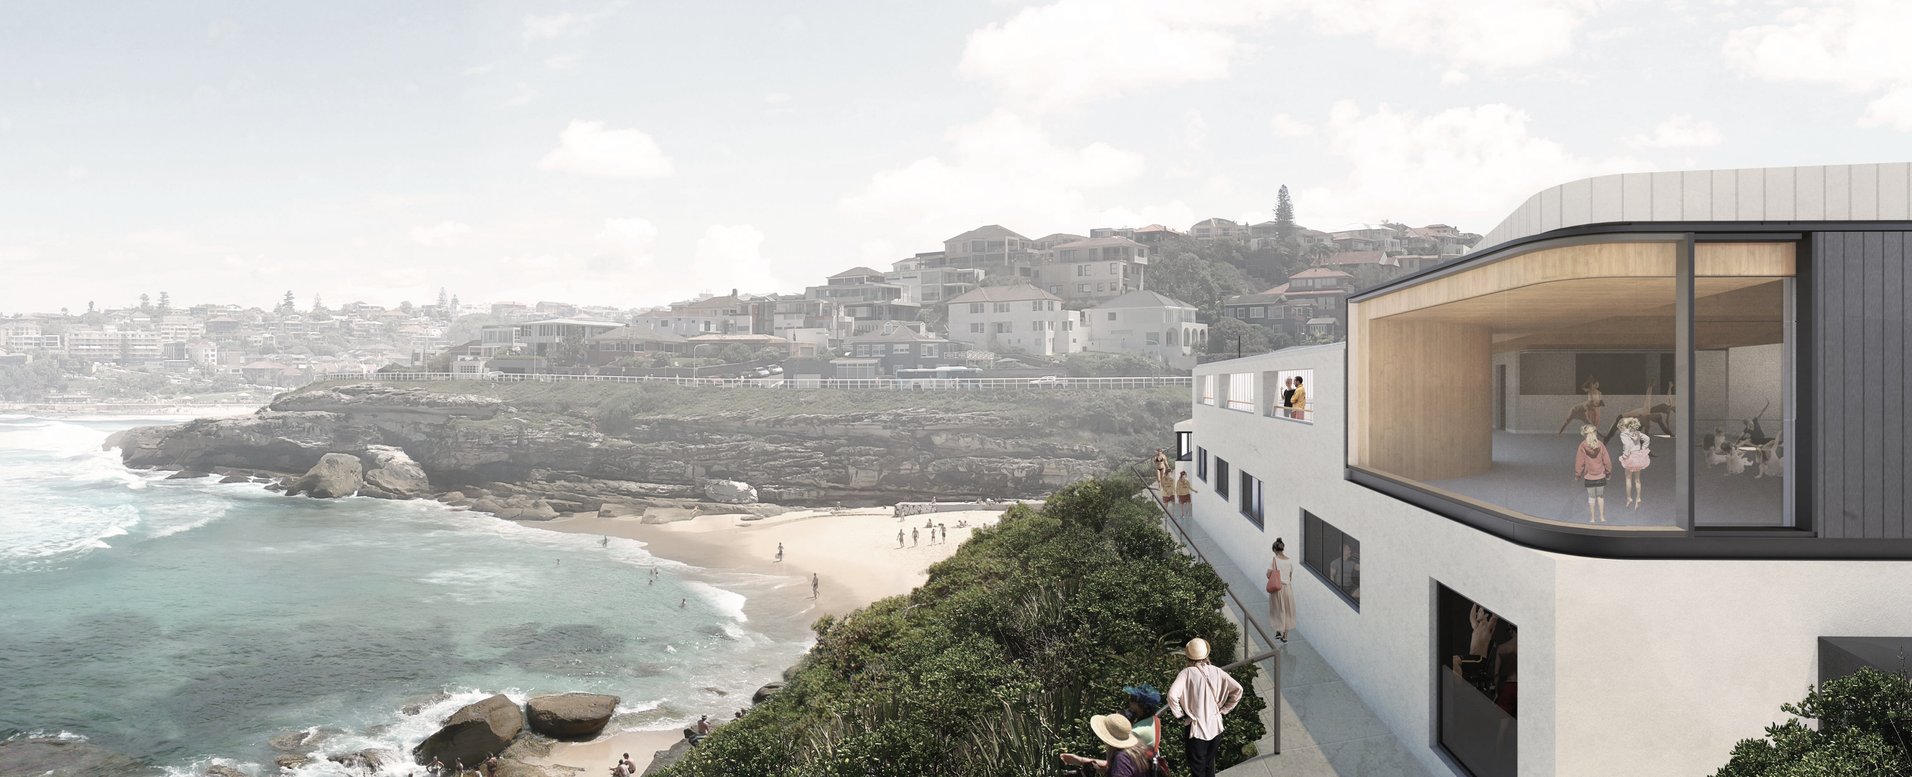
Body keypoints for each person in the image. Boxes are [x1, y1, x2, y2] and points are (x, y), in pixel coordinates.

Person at [1168, 638, 1241, 777]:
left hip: (1196, 729)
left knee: (1198, 770)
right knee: (1209, 766)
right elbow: (1238, 689)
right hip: (1215, 726)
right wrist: (1224, 710)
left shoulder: (1186, 673)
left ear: (1188, 656)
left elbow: (1172, 695)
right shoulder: (1217, 671)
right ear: (1206, 654)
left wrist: (1179, 714)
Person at [1059, 712, 1152, 777]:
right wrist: (1080, 760)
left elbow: (1120, 768)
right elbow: (1111, 766)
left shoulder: (1121, 758)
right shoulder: (1135, 752)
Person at [1573, 423, 1613, 523]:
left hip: (1589, 477)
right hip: (1601, 476)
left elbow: (1579, 462)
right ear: (1595, 433)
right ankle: (1602, 517)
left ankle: (1592, 518)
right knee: (1600, 496)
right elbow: (1607, 461)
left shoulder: (1582, 445)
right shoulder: (1600, 445)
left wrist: (1578, 475)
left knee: (1591, 497)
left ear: (1584, 434)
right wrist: (1608, 473)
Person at [1617, 416, 1651, 510]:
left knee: (1628, 478)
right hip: (1638, 457)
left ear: (1622, 427)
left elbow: (1627, 445)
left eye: (1619, 428)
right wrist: (1643, 448)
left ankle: (1629, 498)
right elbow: (1647, 439)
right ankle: (1638, 498)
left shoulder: (1624, 434)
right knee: (1637, 480)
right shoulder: (1637, 432)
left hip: (1630, 457)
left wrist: (1625, 455)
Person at [1266, 539, 1296, 642]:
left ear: (1275, 549)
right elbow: (1290, 577)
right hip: (1288, 589)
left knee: (1278, 610)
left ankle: (1279, 631)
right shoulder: (1290, 561)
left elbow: (1268, 575)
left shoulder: (1274, 560)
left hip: (1277, 588)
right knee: (1287, 611)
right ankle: (1285, 637)